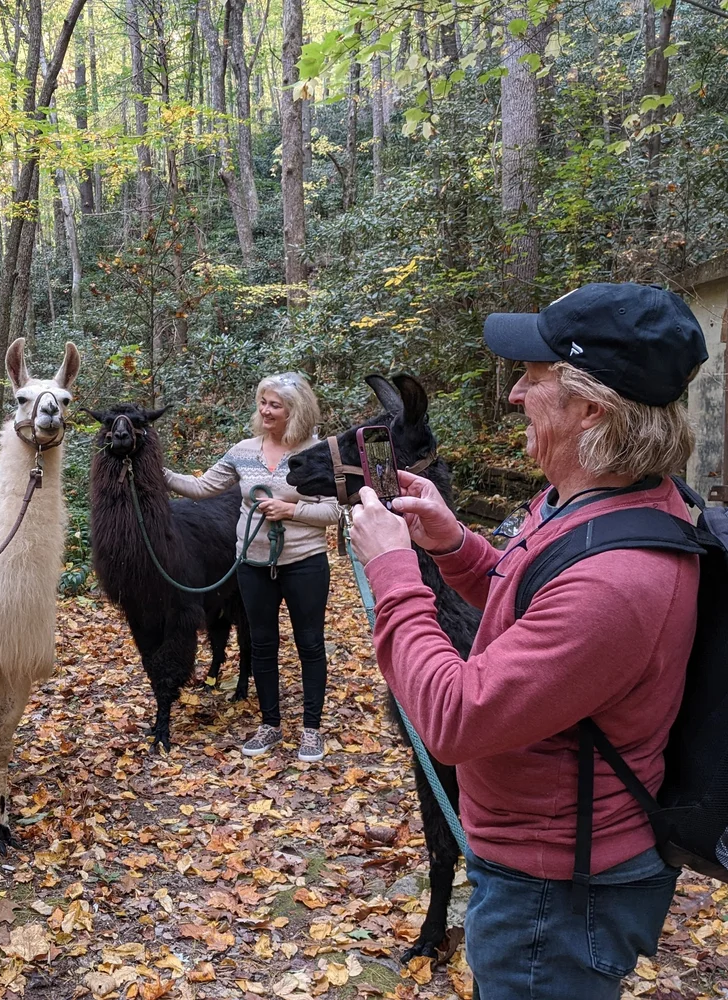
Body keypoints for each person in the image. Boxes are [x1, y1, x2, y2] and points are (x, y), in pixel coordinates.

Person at [349, 282, 707, 999]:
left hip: (554, 895)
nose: (514, 394)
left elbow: (455, 719)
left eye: (535, 378)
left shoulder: (618, 578)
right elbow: (531, 602)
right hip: (535, 863)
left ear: (590, 409)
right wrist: (453, 545)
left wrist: (391, 569)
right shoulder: (594, 501)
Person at [164, 372, 341, 761]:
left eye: (274, 405)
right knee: (261, 644)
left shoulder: (318, 453)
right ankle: (270, 724)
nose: (265, 410)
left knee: (309, 643)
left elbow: (335, 509)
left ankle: (311, 729)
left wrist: (291, 509)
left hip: (304, 562)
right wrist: (157, 472)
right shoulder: (243, 451)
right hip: (253, 562)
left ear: (295, 411)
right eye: (262, 402)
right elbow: (202, 487)